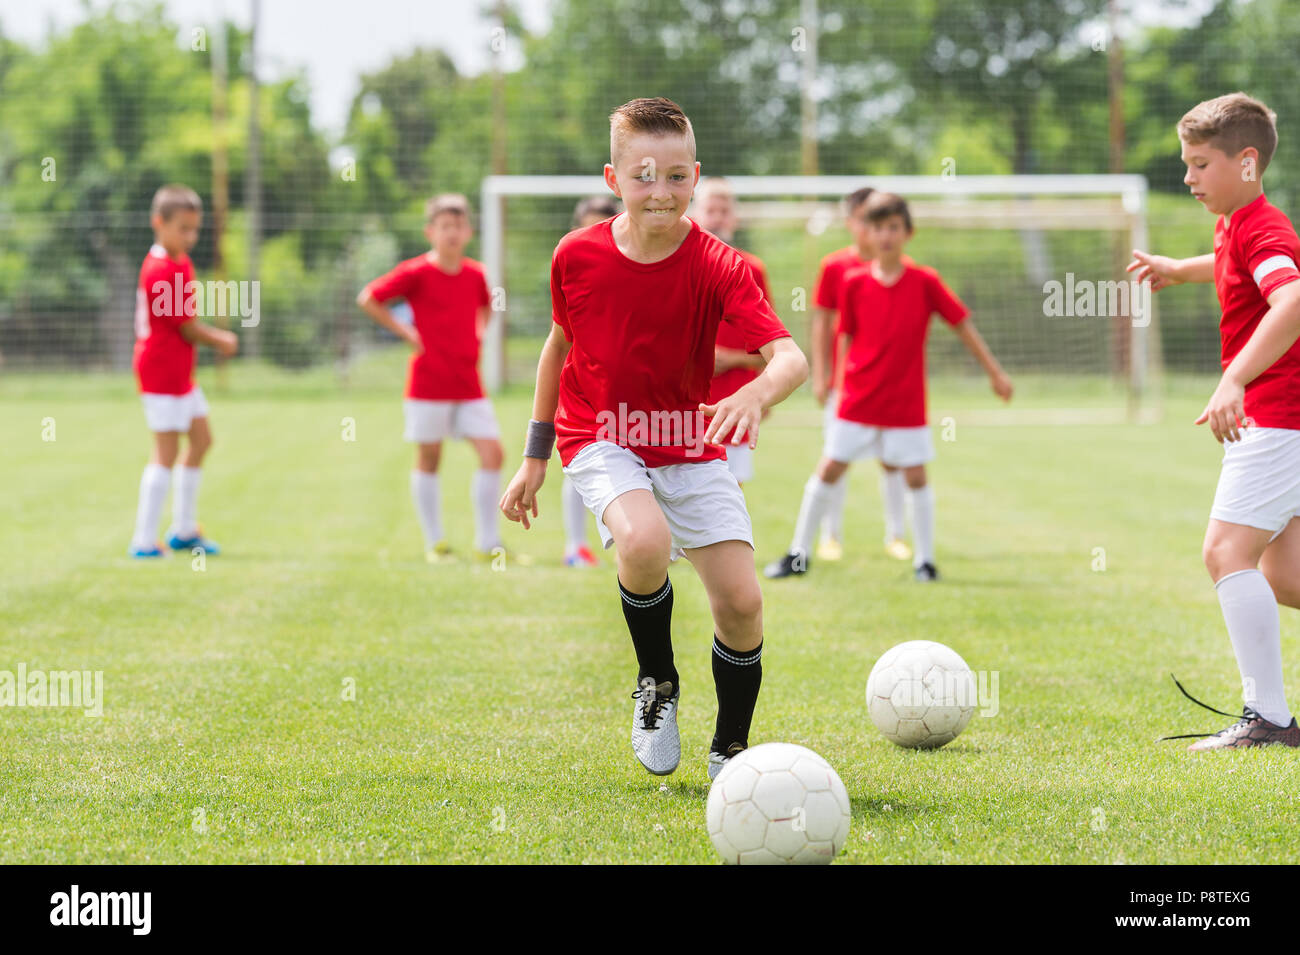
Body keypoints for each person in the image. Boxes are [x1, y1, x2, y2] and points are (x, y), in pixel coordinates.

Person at [500, 97, 808, 779]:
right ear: (614, 180)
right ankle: (657, 683)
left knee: (742, 602)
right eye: (643, 175)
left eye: (675, 176)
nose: (660, 192)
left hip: (688, 439)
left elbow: (792, 359)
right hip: (599, 433)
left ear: (695, 177)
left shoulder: (722, 264)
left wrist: (756, 392)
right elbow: (558, 349)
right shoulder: (575, 257)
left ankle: (731, 747)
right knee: (644, 542)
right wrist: (533, 457)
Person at [1129, 92, 1300, 750]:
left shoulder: (1263, 227)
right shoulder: (1236, 223)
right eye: (1186, 164)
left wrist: (1234, 377)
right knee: (1285, 577)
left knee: (1226, 552)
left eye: (1200, 165)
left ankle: (1271, 720)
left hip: (1278, 416)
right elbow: (1238, 270)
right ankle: (1272, 720)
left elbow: (1290, 298)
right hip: (1280, 417)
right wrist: (1181, 269)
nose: (1188, 178)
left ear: (1247, 162)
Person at [766, 191, 1012, 582]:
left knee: (915, 476)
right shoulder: (852, 282)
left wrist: (995, 373)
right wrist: (839, 384)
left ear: (908, 233)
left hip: (905, 403)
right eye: (877, 227)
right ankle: (798, 554)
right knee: (830, 468)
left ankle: (925, 561)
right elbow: (844, 335)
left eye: (893, 227)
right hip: (858, 400)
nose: (885, 235)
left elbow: (962, 324)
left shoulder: (925, 281)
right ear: (866, 232)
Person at [358, 194, 512, 564]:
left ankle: (488, 542)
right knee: (430, 456)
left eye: (458, 226)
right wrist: (405, 332)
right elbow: (368, 298)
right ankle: (436, 543)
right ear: (431, 232)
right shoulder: (415, 272)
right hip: (428, 384)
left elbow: (488, 306)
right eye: (445, 227)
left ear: (469, 231)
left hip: (468, 383)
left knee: (493, 454)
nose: (452, 233)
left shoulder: (477, 273)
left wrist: (479, 332)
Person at [129, 184, 238, 558]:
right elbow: (187, 326)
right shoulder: (160, 268)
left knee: (202, 440)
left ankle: (184, 530)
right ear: (158, 223)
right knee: (164, 453)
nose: (190, 237)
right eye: (183, 229)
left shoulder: (180, 262)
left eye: (195, 229)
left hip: (181, 375)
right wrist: (222, 340)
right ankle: (144, 541)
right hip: (160, 373)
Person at [692, 176, 772, 486]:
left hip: (736, 403)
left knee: (729, 494)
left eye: (724, 210)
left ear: (735, 217)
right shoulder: (677, 264)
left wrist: (734, 361)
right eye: (710, 209)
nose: (717, 217)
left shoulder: (753, 269)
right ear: (695, 213)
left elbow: (770, 348)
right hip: (684, 407)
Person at [560, 195, 621, 567]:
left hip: (627, 392)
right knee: (579, 464)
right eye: (587, 226)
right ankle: (575, 546)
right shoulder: (569, 267)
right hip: (583, 389)